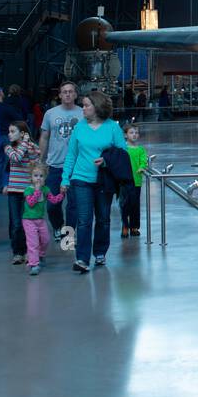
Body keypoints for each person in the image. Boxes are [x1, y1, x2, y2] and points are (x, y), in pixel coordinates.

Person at [60, 91, 125, 272]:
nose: (83, 108)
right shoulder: (79, 128)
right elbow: (71, 155)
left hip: (104, 181)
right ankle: (81, 259)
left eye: (87, 105)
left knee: (103, 219)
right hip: (81, 179)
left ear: (97, 107)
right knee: (84, 220)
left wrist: (106, 161)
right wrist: (65, 178)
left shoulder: (113, 127)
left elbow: (122, 153)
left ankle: (100, 252)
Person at [37, 81, 83, 238]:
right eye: (65, 92)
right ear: (60, 95)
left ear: (76, 94)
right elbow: (44, 137)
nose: (68, 94)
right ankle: (58, 226)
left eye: (71, 91)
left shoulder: (83, 114)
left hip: (76, 166)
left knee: (73, 204)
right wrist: (40, 160)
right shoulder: (50, 113)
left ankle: (69, 233)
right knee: (52, 204)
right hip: (55, 165)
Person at [3, 121, 41, 265]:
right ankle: (17, 252)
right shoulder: (7, 148)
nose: (9, 134)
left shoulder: (31, 147)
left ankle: (29, 251)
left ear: (23, 133)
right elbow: (17, 157)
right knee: (16, 223)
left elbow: (35, 161)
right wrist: (25, 142)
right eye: (9, 131)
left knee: (29, 223)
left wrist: (28, 145)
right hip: (14, 191)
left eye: (13, 131)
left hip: (28, 191)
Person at [22, 163, 63, 276]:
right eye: (35, 175)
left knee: (46, 240)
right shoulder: (28, 190)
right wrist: (37, 190)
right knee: (33, 242)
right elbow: (31, 203)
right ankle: (34, 264)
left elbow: (53, 200)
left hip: (40, 220)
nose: (38, 178)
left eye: (41, 176)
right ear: (31, 177)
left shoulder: (46, 189)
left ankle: (40, 255)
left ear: (45, 178)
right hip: (29, 220)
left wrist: (62, 194)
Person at [120, 122, 147, 238]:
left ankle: (134, 226)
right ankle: (125, 226)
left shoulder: (141, 149)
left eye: (136, 132)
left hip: (136, 182)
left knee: (135, 205)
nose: (134, 135)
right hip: (124, 181)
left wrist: (142, 167)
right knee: (125, 204)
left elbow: (143, 161)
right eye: (131, 132)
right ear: (126, 135)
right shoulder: (123, 148)